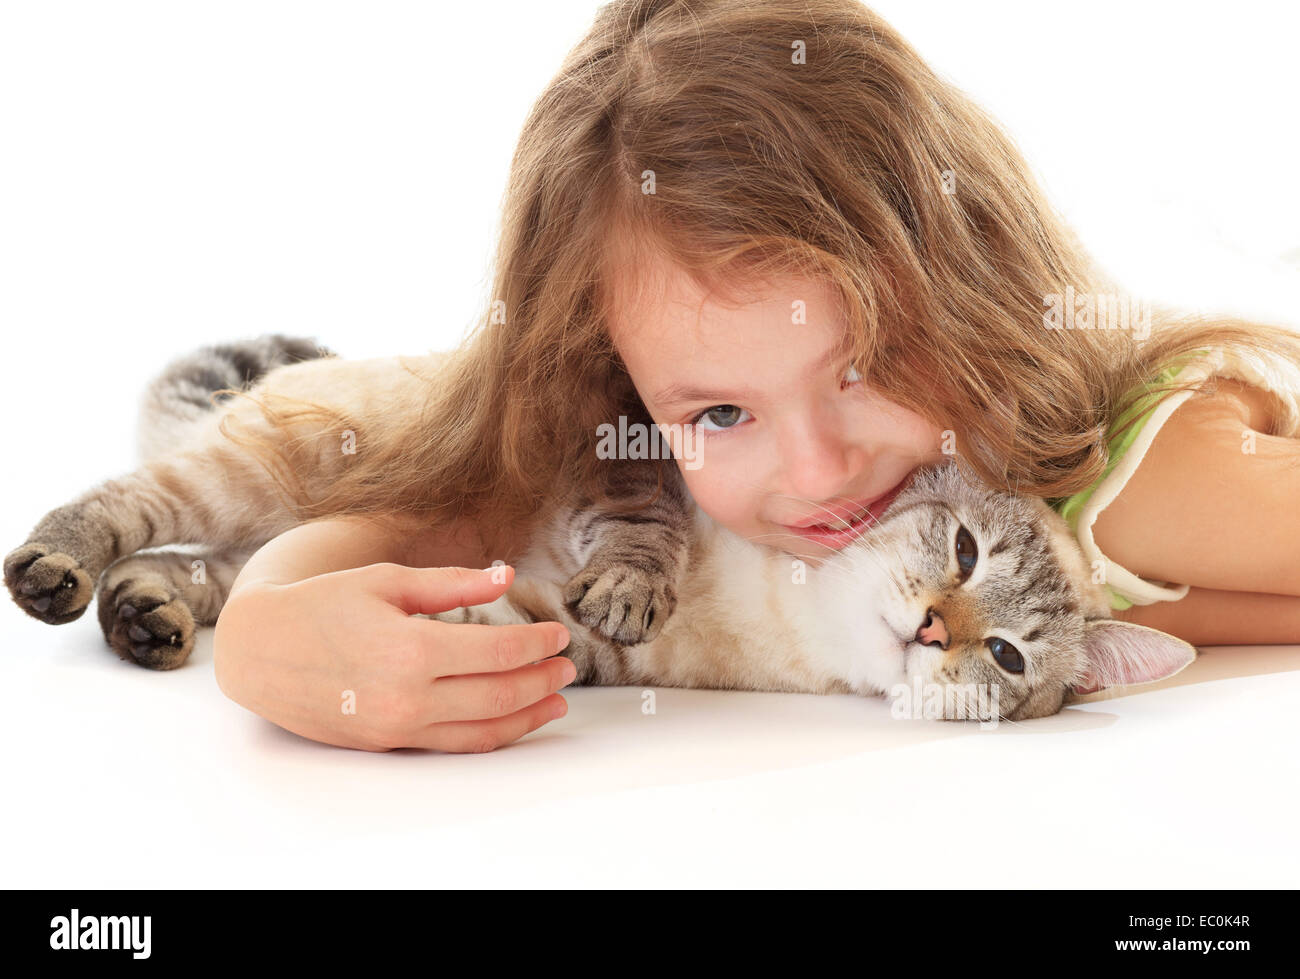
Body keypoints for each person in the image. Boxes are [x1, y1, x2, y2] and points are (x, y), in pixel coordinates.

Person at [212, 0, 1300, 751]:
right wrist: (257, 638)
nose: (819, 470)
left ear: (972, 282)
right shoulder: (623, 433)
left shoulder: (1145, 484)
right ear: (623, 395)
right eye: (722, 411)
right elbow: (435, 510)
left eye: (866, 364)